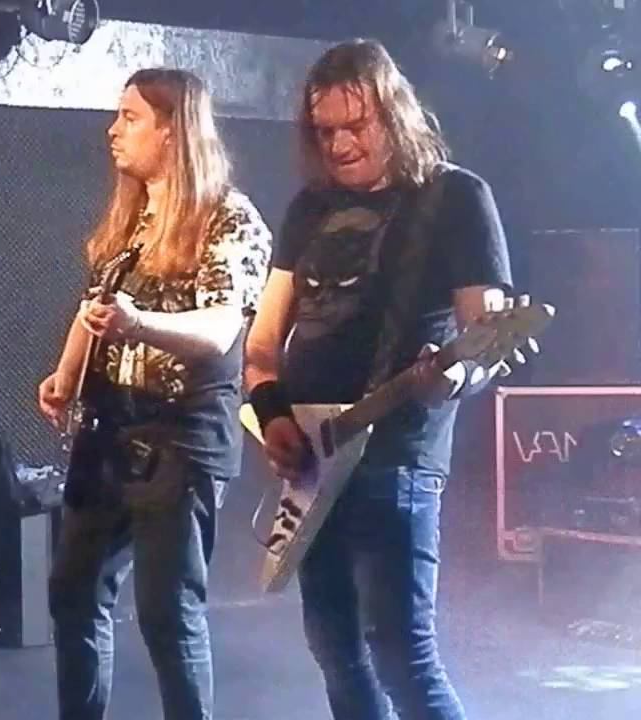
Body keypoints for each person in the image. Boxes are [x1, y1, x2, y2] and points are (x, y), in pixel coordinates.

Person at [243, 39, 515, 720]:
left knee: (402, 656)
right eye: (324, 131)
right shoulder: (309, 209)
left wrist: (453, 375)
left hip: (398, 460)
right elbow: (262, 345)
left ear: (395, 112)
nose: (339, 145)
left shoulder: (456, 198)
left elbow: (485, 346)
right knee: (334, 651)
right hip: (314, 461)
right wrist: (274, 416)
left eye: (356, 125)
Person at [36, 68, 272, 720]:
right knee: (74, 593)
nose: (113, 130)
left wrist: (139, 324)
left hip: (182, 435)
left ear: (173, 131)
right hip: (111, 432)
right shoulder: (133, 220)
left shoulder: (229, 218)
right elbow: (96, 306)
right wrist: (65, 376)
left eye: (130, 117)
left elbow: (221, 329)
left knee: (168, 613)